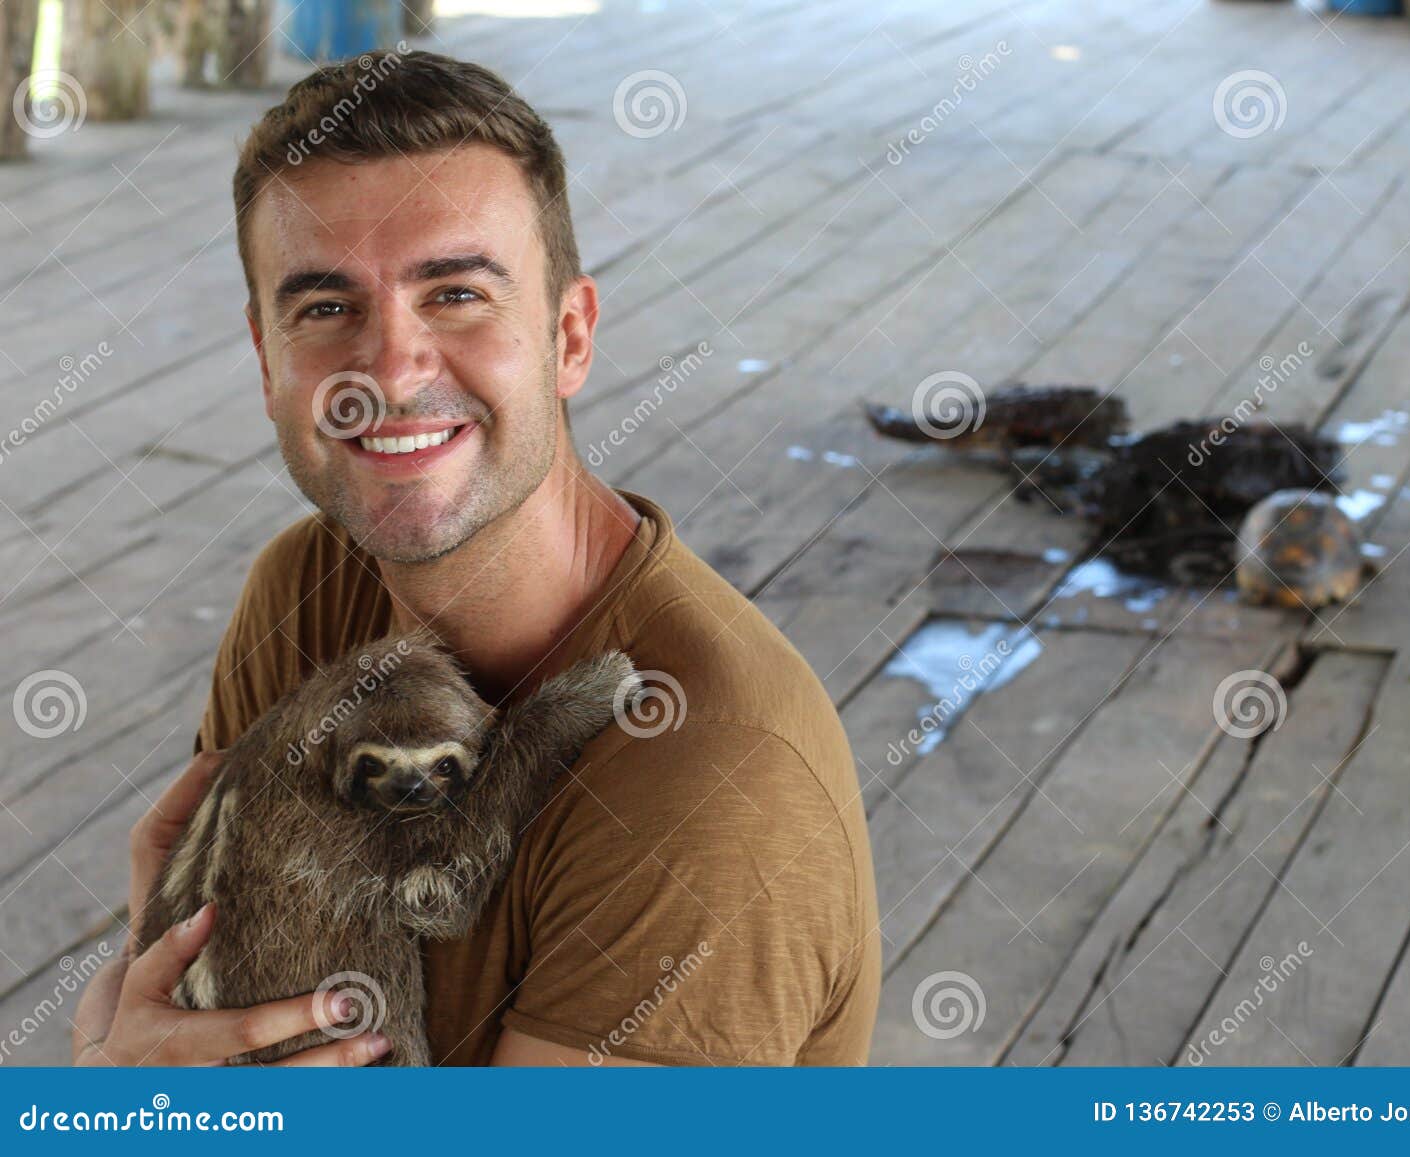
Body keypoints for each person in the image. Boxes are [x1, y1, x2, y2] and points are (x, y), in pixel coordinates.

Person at [72, 49, 878, 1067]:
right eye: (326, 309)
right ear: (266, 359)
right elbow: (185, 979)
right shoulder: (310, 588)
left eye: (454, 293)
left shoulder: (713, 773)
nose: (392, 371)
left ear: (569, 335)